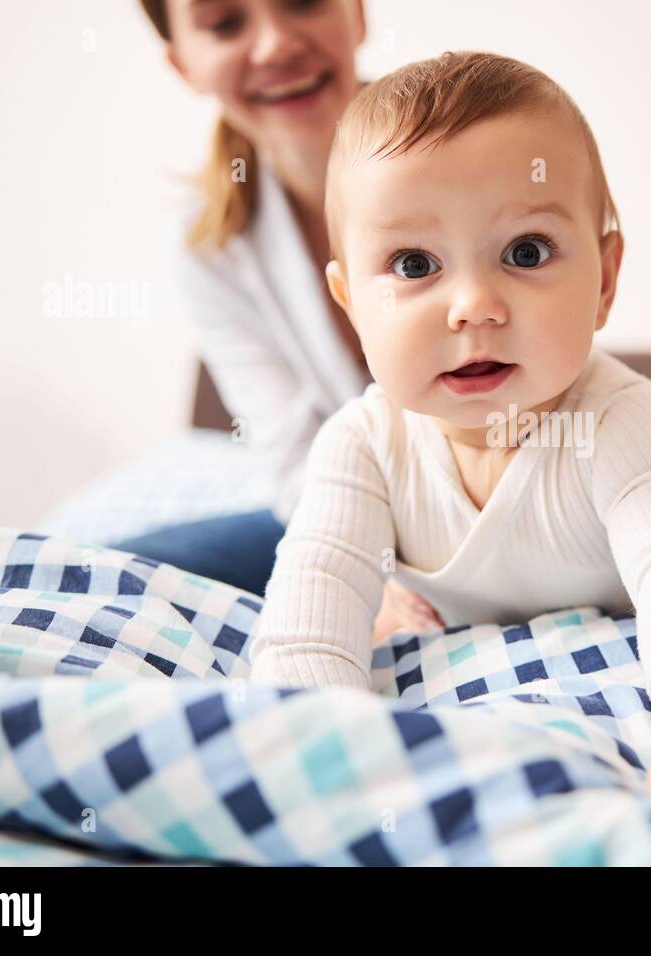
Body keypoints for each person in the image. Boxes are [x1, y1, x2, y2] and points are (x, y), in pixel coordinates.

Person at [248, 52, 651, 815]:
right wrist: (304, 749)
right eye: (414, 264)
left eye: (526, 252)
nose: (473, 306)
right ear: (349, 302)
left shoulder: (626, 427)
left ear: (604, 281)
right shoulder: (363, 444)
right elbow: (310, 617)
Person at [125, 0, 443, 638]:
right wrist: (362, 574)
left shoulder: (461, 153)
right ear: (182, 64)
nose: (274, 45)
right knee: (114, 568)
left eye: (301, 1)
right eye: (224, 24)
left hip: (491, 496)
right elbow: (295, 457)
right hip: (346, 511)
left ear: (355, 12)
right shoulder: (208, 243)